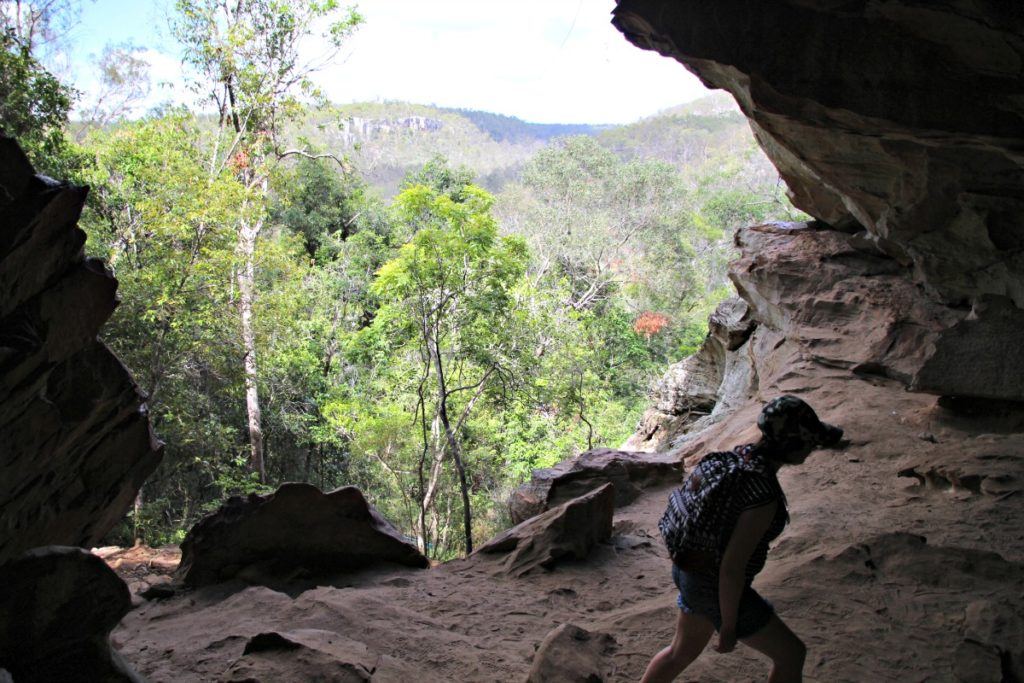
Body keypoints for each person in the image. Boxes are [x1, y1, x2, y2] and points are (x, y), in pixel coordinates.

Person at [640, 395, 843, 683]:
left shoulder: (737, 458)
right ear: (795, 446)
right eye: (810, 442)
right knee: (791, 654)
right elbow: (732, 569)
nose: (812, 449)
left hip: (687, 569)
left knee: (679, 652)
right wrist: (728, 625)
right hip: (711, 584)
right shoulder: (762, 495)